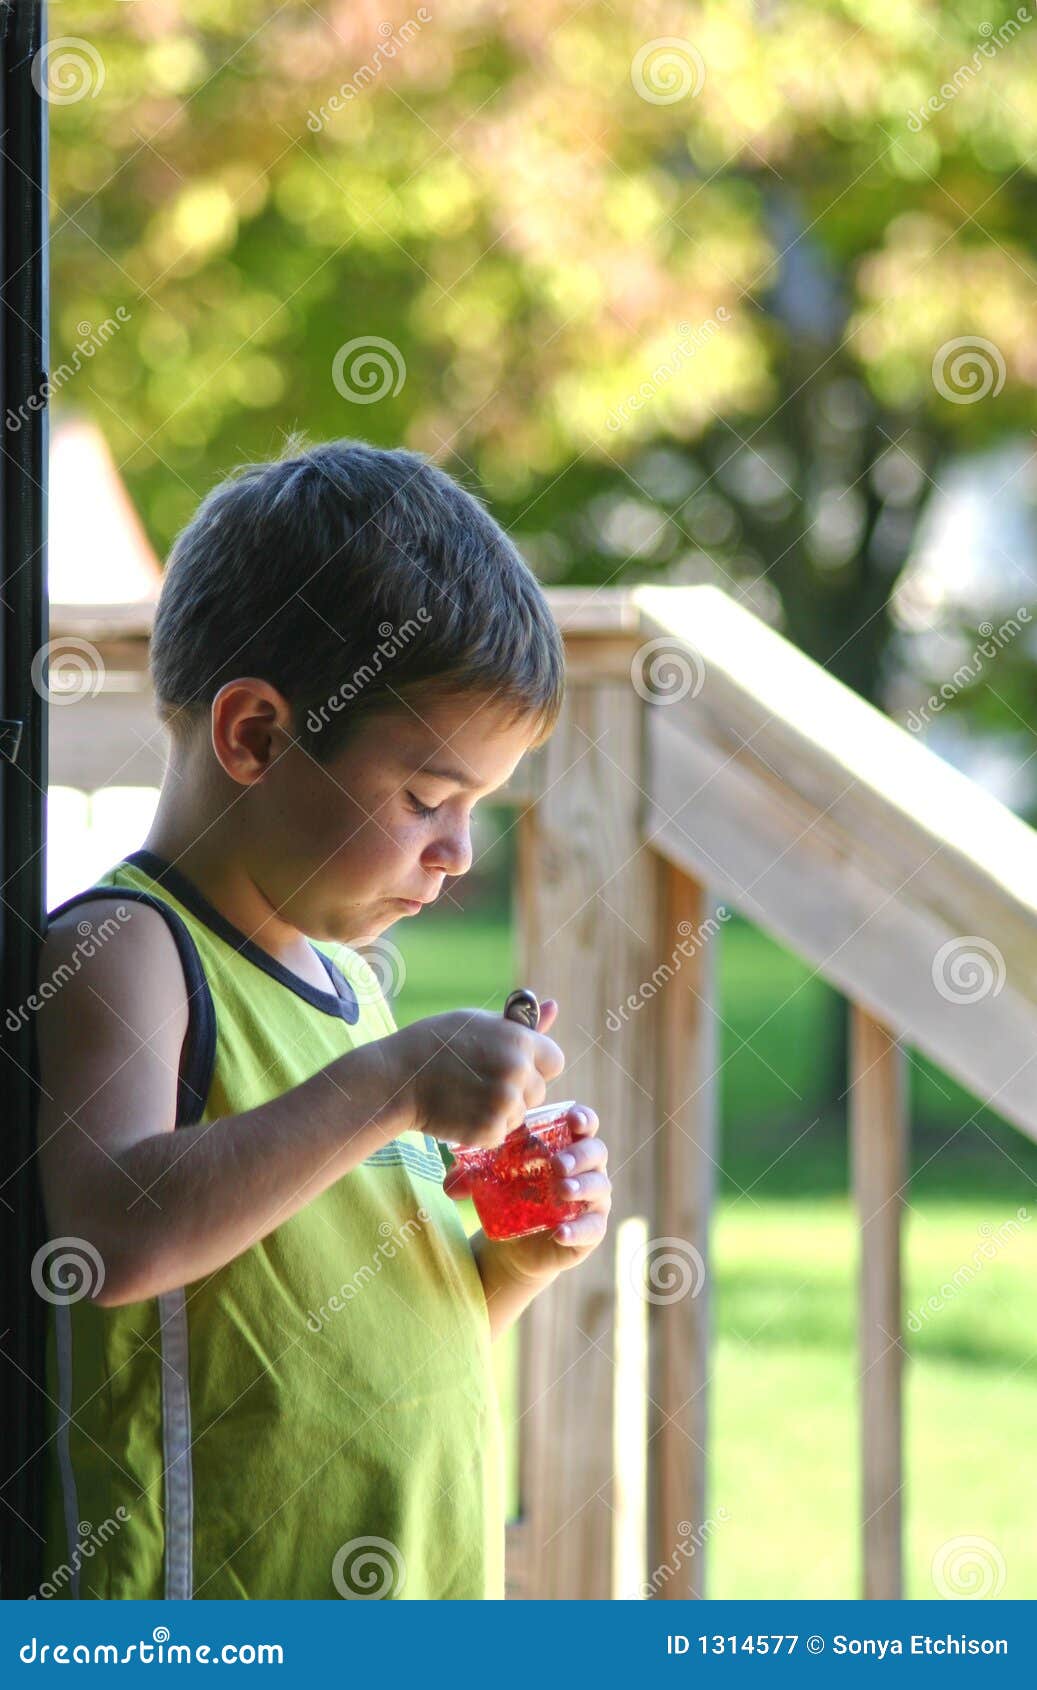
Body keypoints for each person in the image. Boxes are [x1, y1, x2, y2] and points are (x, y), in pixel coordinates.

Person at [32, 438, 611, 1600]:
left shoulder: (356, 994)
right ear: (253, 734)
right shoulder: (129, 952)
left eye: (475, 810)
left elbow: (355, 1333)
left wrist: (510, 1264)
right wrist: (390, 1085)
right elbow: (104, 1240)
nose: (456, 853)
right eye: (427, 799)